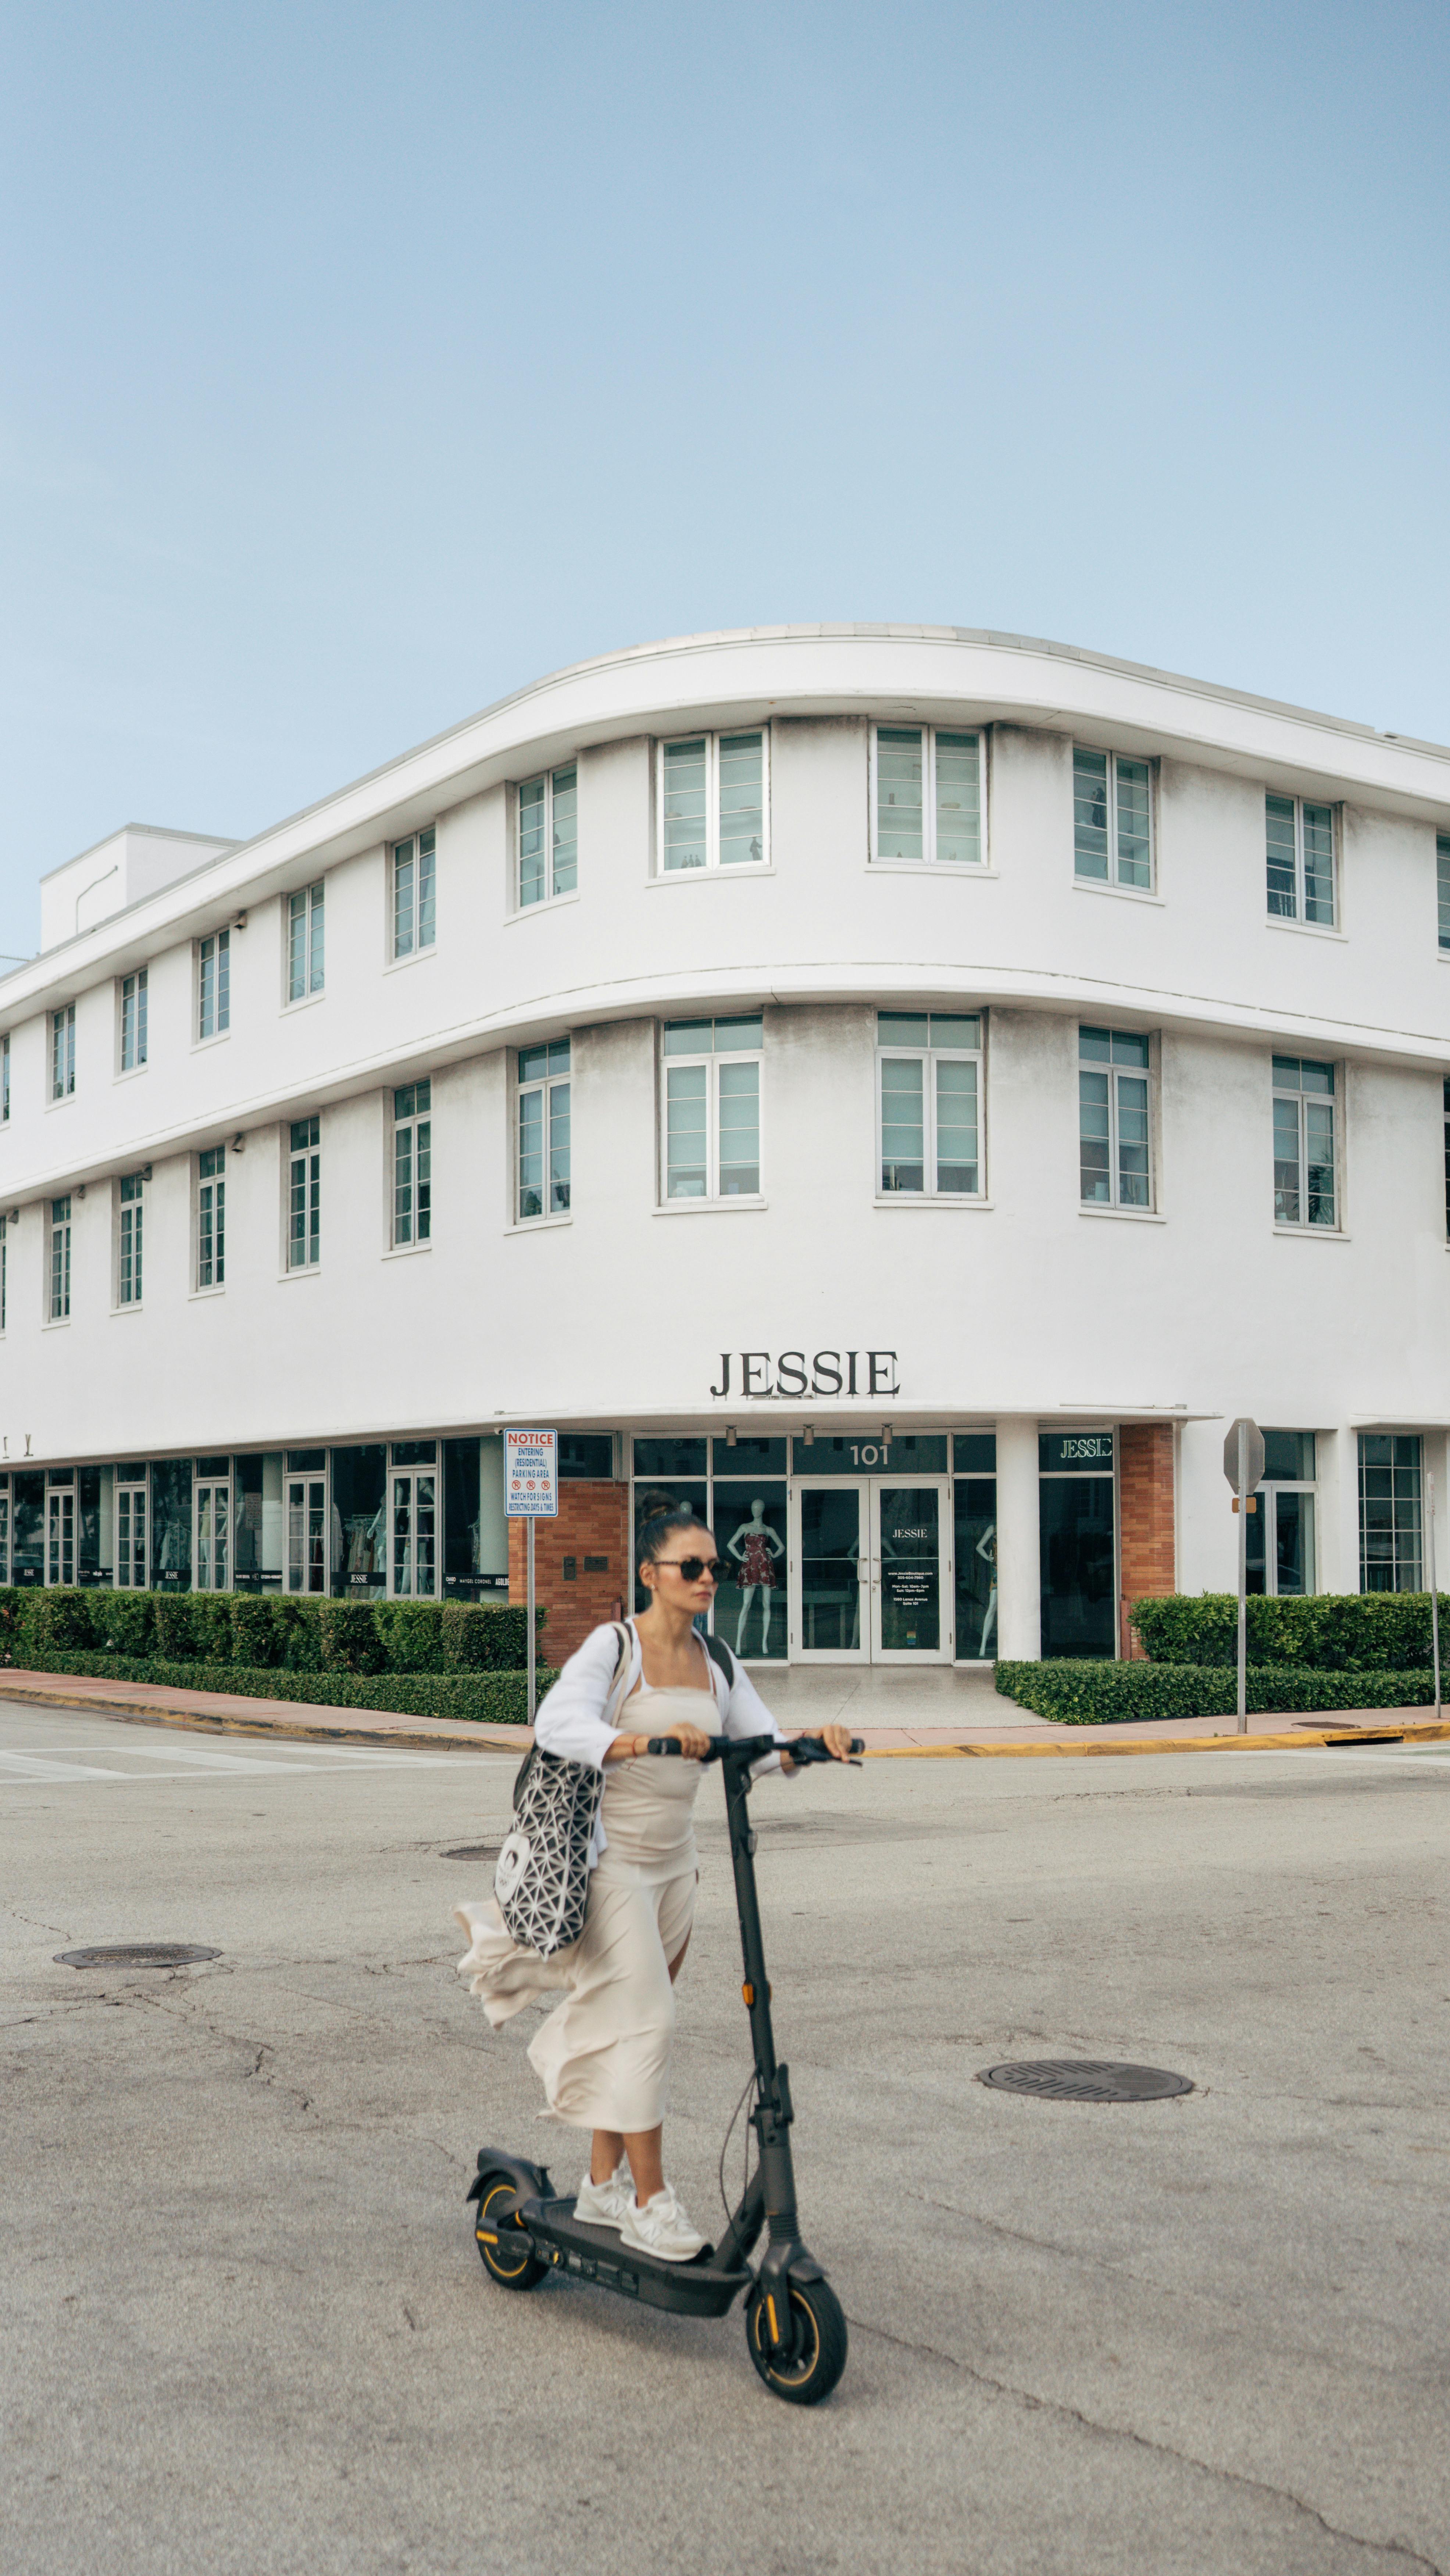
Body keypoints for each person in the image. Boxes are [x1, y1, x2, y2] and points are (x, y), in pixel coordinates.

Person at [456, 1494, 855, 2261]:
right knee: (650, 2025)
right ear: (652, 1574)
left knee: (632, 2027)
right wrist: (639, 1745)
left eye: (718, 1567)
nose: (711, 1578)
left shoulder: (716, 1661)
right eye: (694, 1567)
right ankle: (649, 2202)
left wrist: (812, 1745)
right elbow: (556, 1723)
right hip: (615, 1869)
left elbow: (761, 1746)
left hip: (677, 1870)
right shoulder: (615, 1647)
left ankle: (603, 2186)